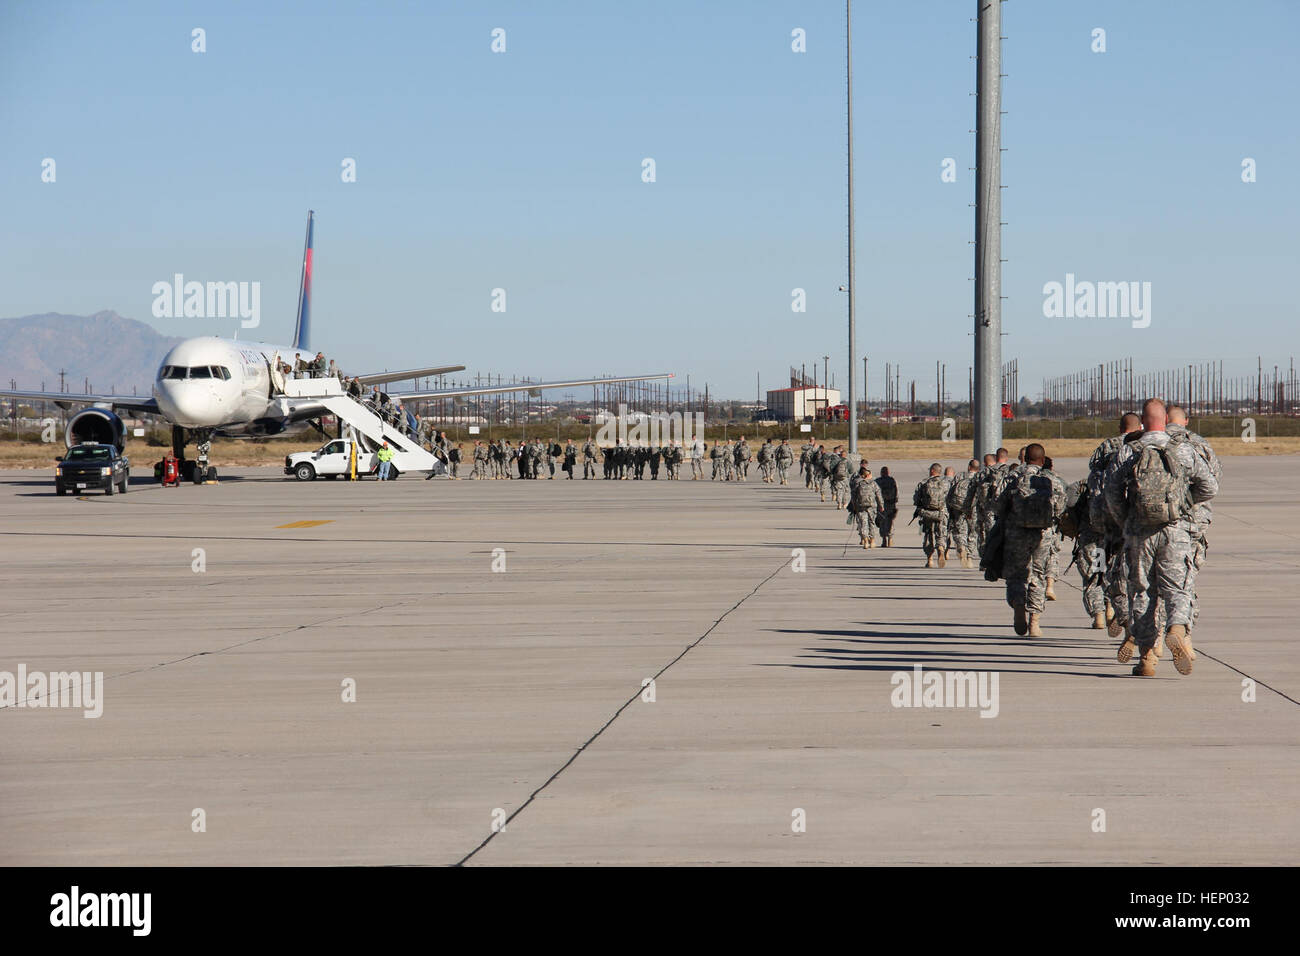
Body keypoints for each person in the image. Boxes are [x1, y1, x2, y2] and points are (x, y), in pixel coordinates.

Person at [1103, 399, 1218, 677]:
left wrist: (1126, 521)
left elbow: (1111, 495)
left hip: (1139, 532)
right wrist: (1183, 504)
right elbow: (1210, 487)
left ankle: (1146, 659)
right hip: (1174, 528)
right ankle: (1177, 628)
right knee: (1176, 587)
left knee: (1142, 591)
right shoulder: (1184, 450)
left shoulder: (1129, 450)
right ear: (1166, 419)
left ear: (1142, 422)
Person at [987, 443, 1065, 637]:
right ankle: (1035, 623)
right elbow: (1061, 507)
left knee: (1016, 575)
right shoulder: (1050, 478)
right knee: (1037, 575)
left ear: (1025, 458)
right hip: (1042, 534)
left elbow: (997, 504)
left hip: (1016, 532)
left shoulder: (1012, 476)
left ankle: (1018, 603)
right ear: (1042, 459)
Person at [1167, 404, 1221, 635]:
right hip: (1193, 522)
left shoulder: (1148, 442)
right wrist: (1187, 502)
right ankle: (1183, 631)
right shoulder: (1198, 444)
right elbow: (1212, 482)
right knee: (1185, 578)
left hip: (1151, 523)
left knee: (1150, 582)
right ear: (1185, 421)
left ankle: (1150, 639)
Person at [913, 463, 950, 567]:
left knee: (928, 534)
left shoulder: (924, 482)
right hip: (941, 513)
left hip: (927, 513)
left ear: (932, 471)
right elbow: (950, 499)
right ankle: (941, 548)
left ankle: (930, 559)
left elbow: (916, 500)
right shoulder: (946, 483)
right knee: (941, 533)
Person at [946, 459, 980, 569]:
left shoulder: (960, 476)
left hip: (958, 507)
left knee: (959, 529)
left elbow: (950, 491)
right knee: (973, 531)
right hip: (974, 508)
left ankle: (961, 546)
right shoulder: (980, 477)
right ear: (977, 468)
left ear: (969, 467)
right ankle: (969, 556)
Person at [849, 463, 885, 549]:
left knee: (863, 523)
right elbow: (878, 495)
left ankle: (865, 540)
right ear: (868, 475)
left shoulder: (857, 483)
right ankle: (872, 541)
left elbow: (853, 496)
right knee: (871, 523)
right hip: (871, 506)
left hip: (860, 506)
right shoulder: (873, 483)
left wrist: (854, 506)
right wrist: (881, 506)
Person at [876, 466, 898, 546]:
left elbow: (875, 493)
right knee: (890, 521)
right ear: (888, 472)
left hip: (881, 504)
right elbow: (896, 492)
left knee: (882, 521)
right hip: (891, 504)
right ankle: (890, 539)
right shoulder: (892, 480)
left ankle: (884, 539)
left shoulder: (878, 481)